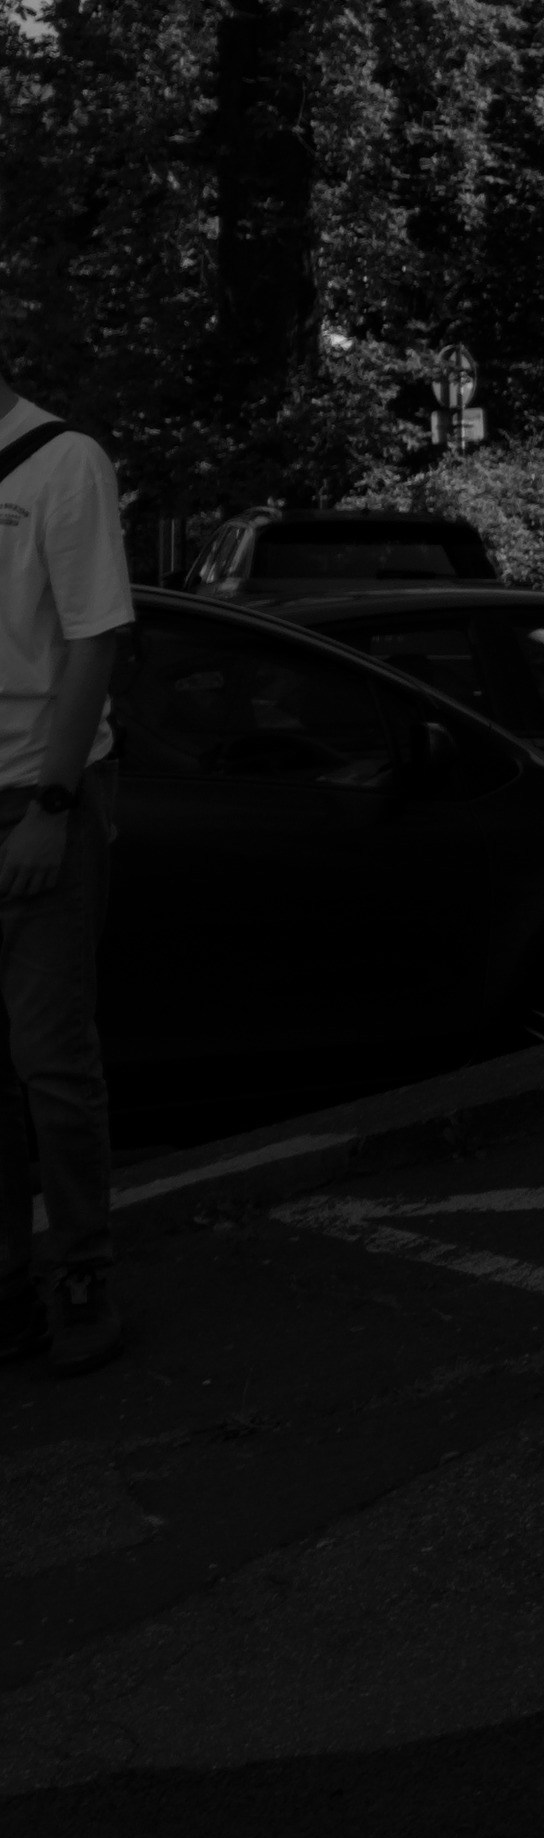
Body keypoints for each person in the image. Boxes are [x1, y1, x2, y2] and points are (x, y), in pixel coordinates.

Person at [0, 376, 132, 1377]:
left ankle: (81, 1266)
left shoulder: (62, 461)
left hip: (36, 797)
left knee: (51, 1062)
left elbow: (96, 640)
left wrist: (52, 805)